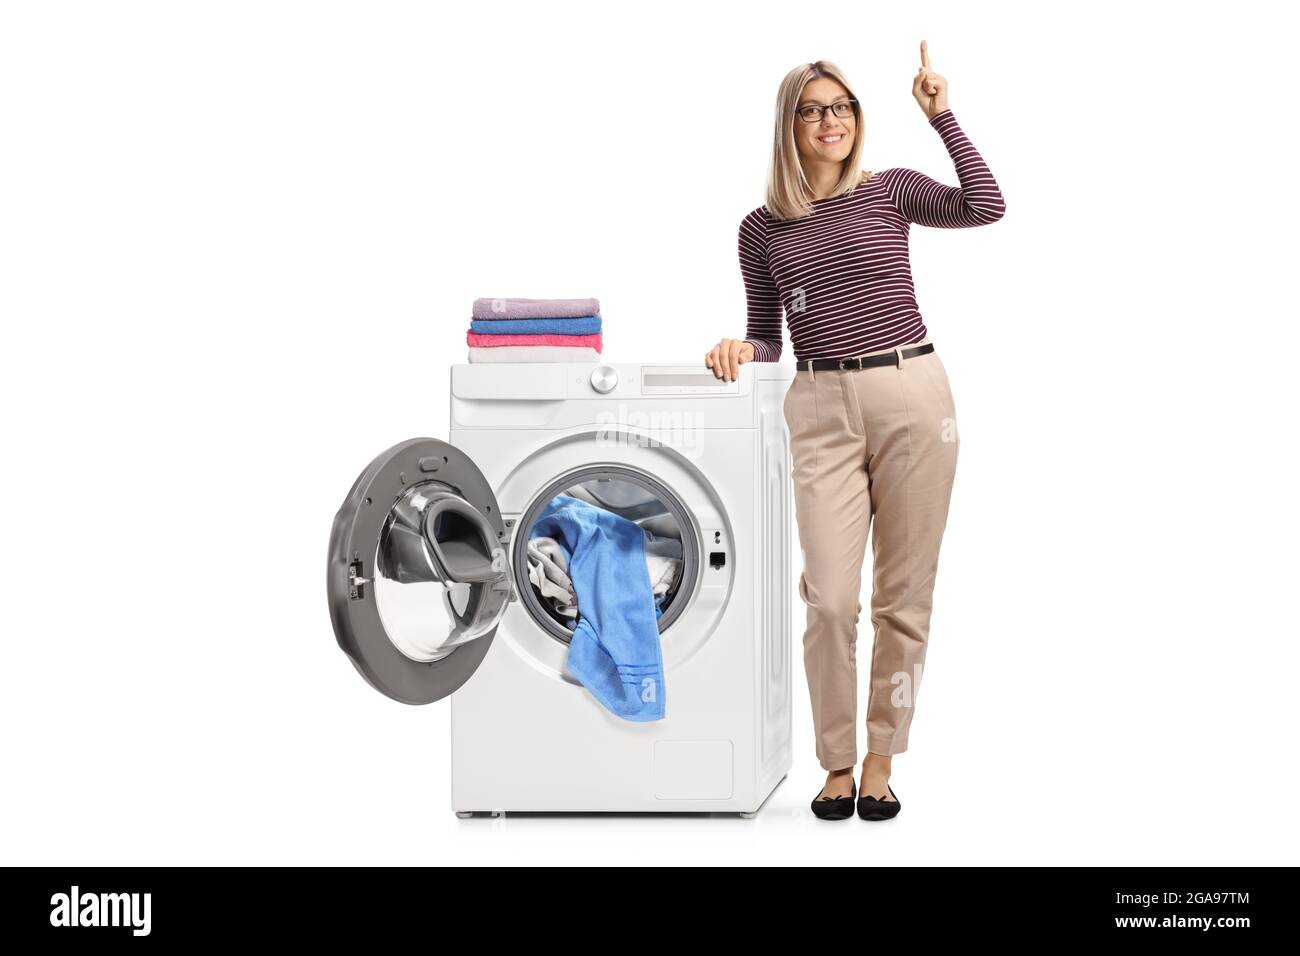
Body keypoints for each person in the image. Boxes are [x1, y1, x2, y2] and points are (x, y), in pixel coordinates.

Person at [704, 41, 1005, 821]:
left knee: (902, 598)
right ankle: (833, 761)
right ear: (790, 126)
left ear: (857, 118)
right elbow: (767, 332)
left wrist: (942, 115)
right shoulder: (762, 227)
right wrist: (742, 348)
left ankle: (878, 760)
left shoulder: (892, 191)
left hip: (911, 392)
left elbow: (986, 203)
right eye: (813, 110)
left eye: (841, 107)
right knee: (831, 600)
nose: (829, 121)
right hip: (818, 404)